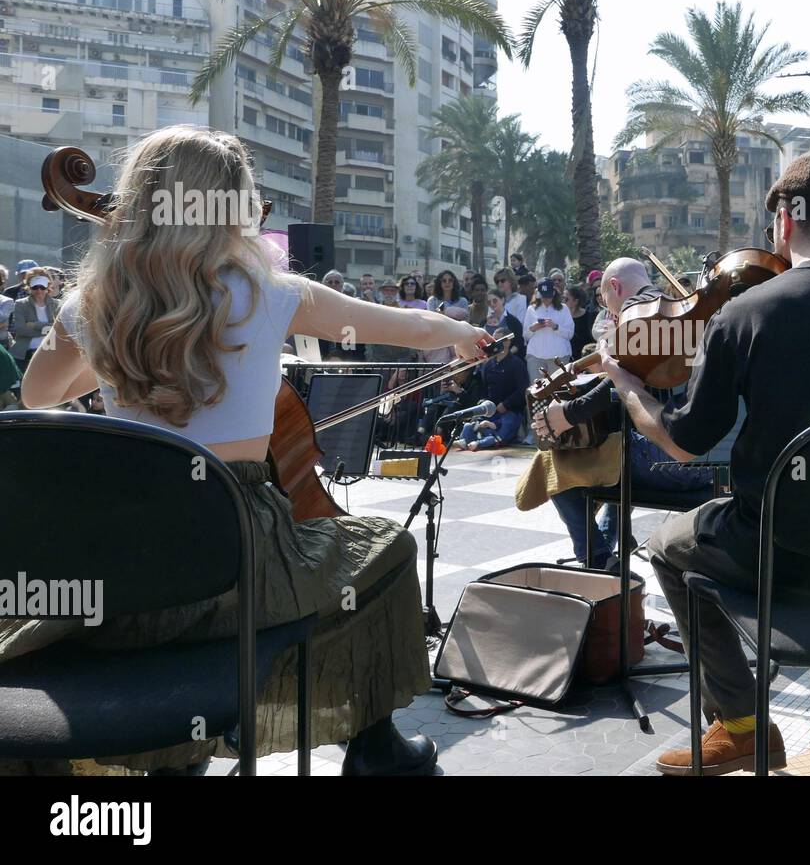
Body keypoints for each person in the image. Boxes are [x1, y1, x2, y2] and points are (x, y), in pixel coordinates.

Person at [9, 126, 489, 775]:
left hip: (130, 570)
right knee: (387, 549)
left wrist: (122, 348)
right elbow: (411, 328)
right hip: (243, 560)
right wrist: (461, 333)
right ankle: (375, 750)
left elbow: (38, 396)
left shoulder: (86, 307)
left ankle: (172, 750)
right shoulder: (270, 292)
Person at [597, 152, 810, 775]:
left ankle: (741, 724)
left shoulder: (745, 313)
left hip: (774, 552)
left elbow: (683, 443)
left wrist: (627, 385)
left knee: (663, 547)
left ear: (786, 220)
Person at [533, 258, 712, 568]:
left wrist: (567, 414)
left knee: (554, 462)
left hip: (678, 462)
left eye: (607, 301)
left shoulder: (644, 317)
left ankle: (596, 557)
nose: (612, 312)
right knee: (619, 450)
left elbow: (625, 380)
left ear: (614, 286)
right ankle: (609, 547)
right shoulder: (676, 311)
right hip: (713, 462)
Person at [453, 343, 527, 451]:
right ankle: (465, 440)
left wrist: (507, 404)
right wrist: (484, 402)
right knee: (470, 425)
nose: (494, 343)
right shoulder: (488, 365)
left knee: (504, 430)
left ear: (507, 342)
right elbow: (483, 388)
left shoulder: (517, 363)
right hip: (491, 409)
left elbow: (522, 389)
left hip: (511, 410)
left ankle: (480, 443)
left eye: (498, 339)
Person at [8, 269, 61, 372]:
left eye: (42, 286)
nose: (39, 290)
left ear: (48, 287)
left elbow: (59, 329)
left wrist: (35, 325)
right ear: (29, 287)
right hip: (25, 353)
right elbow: (19, 329)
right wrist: (47, 329)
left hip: (50, 351)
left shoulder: (57, 305)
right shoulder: (20, 304)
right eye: (35, 287)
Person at [522, 278, 573, 385]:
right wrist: (533, 328)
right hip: (536, 356)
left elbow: (570, 333)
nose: (546, 299)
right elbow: (525, 335)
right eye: (544, 296)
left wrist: (555, 326)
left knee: (559, 389)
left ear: (554, 293)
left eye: (548, 296)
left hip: (558, 356)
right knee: (538, 390)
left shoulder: (563, 309)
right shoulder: (531, 309)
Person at [565, 284, 596, 356]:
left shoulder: (590, 317)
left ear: (576, 301)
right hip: (567, 358)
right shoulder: (562, 317)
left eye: (566, 299)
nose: (563, 302)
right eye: (562, 298)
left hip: (585, 358)